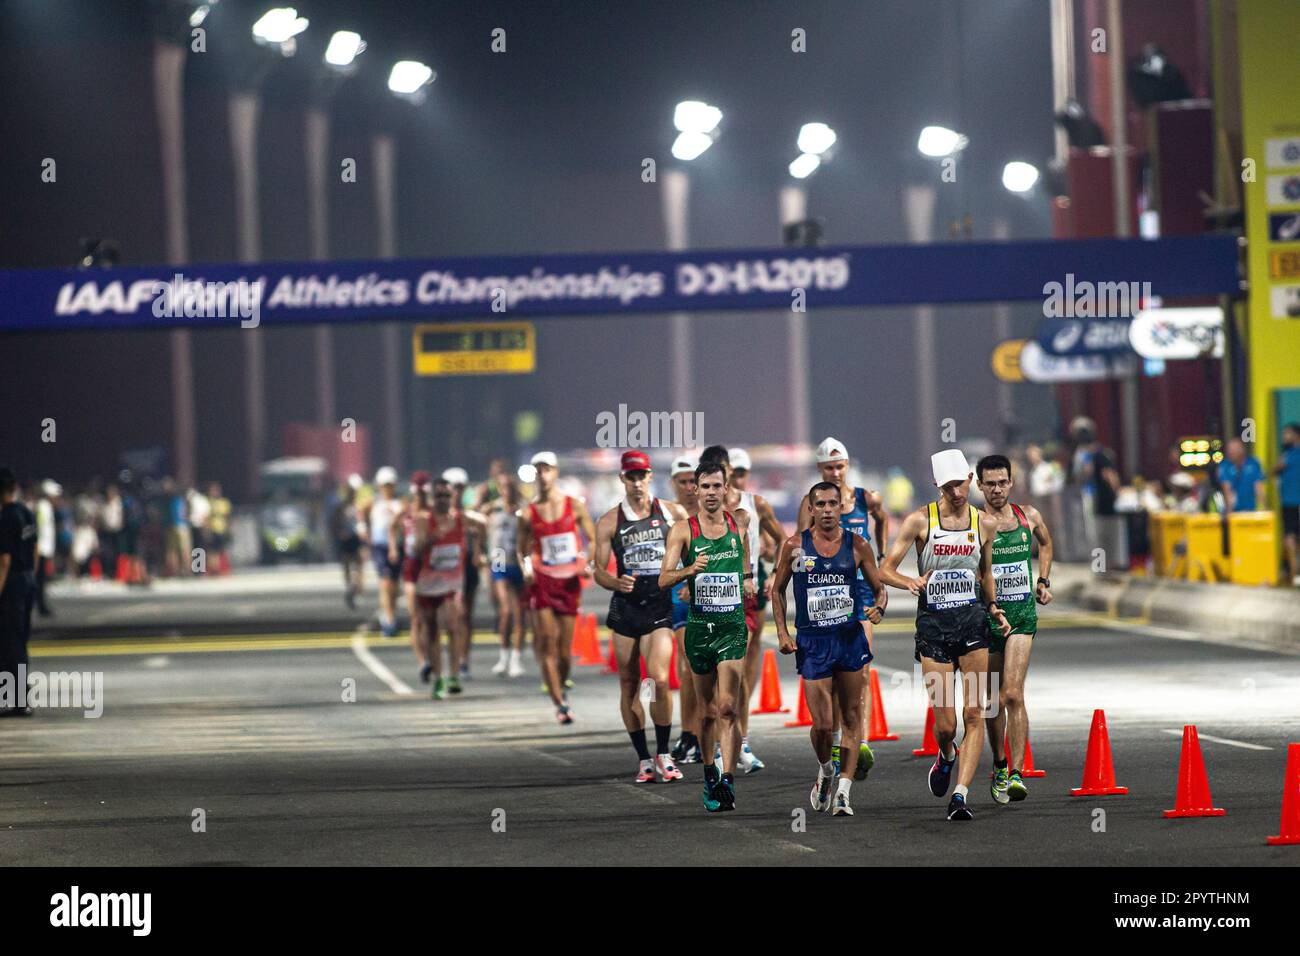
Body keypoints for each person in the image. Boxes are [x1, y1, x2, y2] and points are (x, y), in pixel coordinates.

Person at [878, 449, 1010, 821]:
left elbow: (985, 574)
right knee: (946, 724)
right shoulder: (920, 521)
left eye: (961, 483)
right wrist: (909, 582)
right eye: (949, 486)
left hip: (972, 625)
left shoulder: (983, 523)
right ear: (938, 484)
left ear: (971, 478)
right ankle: (947, 754)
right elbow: (885, 568)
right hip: (933, 630)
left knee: (975, 712)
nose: (957, 492)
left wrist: (995, 608)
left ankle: (961, 796)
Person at [772, 480, 886, 816]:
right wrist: (782, 632)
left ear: (840, 507)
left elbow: (879, 588)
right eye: (819, 504)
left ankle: (844, 794)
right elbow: (776, 591)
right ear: (810, 508)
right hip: (812, 641)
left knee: (851, 718)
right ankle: (825, 770)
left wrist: (879, 607)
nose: (825, 510)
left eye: (831, 504)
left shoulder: (858, 545)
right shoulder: (795, 546)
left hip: (849, 639)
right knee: (822, 725)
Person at [659, 460, 755, 812]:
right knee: (708, 712)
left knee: (729, 706)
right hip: (699, 629)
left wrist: (746, 577)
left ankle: (727, 779)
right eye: (706, 487)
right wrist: (690, 570)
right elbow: (663, 579)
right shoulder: (683, 531)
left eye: (718, 486)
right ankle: (709, 773)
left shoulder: (739, 520)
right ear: (695, 490)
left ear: (726, 488)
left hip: (731, 626)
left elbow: (743, 553)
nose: (712, 493)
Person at [796, 437, 889, 781]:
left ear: (848, 465)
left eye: (840, 466)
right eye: (828, 468)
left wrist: (880, 554)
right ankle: (836, 737)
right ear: (820, 470)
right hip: (828, 597)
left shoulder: (867, 498)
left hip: (861, 594)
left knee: (859, 670)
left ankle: (857, 737)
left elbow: (882, 518)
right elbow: (801, 547)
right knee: (833, 676)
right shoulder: (814, 502)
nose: (835, 472)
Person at [593, 450, 687, 783]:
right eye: (630, 477)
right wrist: (613, 581)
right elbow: (598, 570)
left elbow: (691, 551)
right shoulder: (609, 521)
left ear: (650, 477)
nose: (636, 482)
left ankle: (664, 753)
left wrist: (687, 581)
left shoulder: (671, 513)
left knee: (659, 680)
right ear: (622, 479)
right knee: (630, 682)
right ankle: (643, 758)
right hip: (626, 608)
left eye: (641, 476)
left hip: (659, 605)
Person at [698, 445, 785, 774]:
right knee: (725, 674)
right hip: (712, 597)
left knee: (741, 671)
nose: (719, 478)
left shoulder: (753, 505)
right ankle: (723, 741)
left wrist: (775, 573)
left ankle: (739, 742)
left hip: (747, 594)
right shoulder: (700, 509)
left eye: (722, 471)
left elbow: (785, 541)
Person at [975, 454, 1054, 805]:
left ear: (1011, 482)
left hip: (1022, 615)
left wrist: (1043, 579)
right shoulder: (974, 524)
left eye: (1001, 482)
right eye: (989, 483)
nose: (996, 489)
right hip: (987, 619)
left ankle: (1019, 773)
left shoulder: (1028, 516)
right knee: (991, 701)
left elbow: (1046, 543)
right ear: (979, 485)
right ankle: (1000, 764)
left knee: (1012, 694)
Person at [518, 452, 596, 724]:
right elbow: (520, 550)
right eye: (538, 470)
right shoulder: (527, 513)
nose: (543, 474)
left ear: (555, 472)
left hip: (569, 581)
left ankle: (561, 686)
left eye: (547, 469)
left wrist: (589, 563)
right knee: (548, 643)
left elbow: (593, 539)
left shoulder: (574, 506)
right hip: (542, 582)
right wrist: (527, 568)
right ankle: (560, 704)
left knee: (565, 651)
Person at [413, 477, 476, 700]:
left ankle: (454, 676)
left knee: (453, 625)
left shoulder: (461, 518)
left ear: (452, 497)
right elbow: (417, 549)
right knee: (432, 631)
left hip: (452, 582)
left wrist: (479, 552)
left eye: (446, 495)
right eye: (438, 495)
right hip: (429, 582)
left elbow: (484, 523)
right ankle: (439, 678)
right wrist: (433, 537)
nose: (443, 499)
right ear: (433, 498)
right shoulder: (423, 520)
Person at [667, 454, 704, 764]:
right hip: (679, 595)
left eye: (694, 481)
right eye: (683, 482)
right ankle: (688, 732)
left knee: (705, 665)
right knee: (686, 661)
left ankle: (704, 731)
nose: (690, 487)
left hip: (710, 595)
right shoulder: (668, 516)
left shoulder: (712, 512)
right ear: (673, 484)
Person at [0, 469, 38, 717]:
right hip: (27, 580)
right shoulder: (27, 513)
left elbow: (4, 560)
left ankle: (15, 700)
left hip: (11, 584)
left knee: (8, 644)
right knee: (20, 641)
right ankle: (20, 698)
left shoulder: (6, 518)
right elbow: (34, 550)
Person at [485, 474, 527, 678]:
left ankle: (516, 659)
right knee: (506, 611)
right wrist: (479, 553)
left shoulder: (524, 508)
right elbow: (478, 524)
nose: (506, 490)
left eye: (509, 486)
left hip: (517, 558)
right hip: (499, 557)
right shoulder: (493, 507)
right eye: (502, 486)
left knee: (519, 613)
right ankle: (503, 656)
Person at [360, 466, 404, 637]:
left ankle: (390, 613)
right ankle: (389, 620)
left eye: (390, 485)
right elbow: (359, 510)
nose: (387, 488)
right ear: (379, 485)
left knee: (394, 584)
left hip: (397, 546)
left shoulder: (400, 502)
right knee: (385, 582)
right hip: (379, 546)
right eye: (384, 485)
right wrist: (363, 527)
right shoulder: (374, 502)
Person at [399, 472, 435, 681]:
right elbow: (392, 524)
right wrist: (394, 546)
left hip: (430, 567)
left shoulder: (432, 513)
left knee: (430, 618)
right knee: (415, 617)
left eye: (424, 493)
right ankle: (423, 662)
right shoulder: (407, 511)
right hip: (411, 567)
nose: (420, 497)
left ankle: (431, 654)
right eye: (417, 493)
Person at [332, 477, 365, 609]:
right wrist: (339, 532)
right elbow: (335, 522)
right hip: (346, 539)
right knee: (346, 564)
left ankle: (355, 588)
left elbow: (363, 522)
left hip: (356, 538)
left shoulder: (358, 505)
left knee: (358, 564)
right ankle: (348, 588)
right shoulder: (341, 506)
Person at [1276, 423, 1300, 585]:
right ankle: (1294, 574)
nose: (1284, 437)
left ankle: (1294, 573)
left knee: (1292, 538)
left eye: (1287, 434)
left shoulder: (1291, 454)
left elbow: (1276, 468)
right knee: (1290, 537)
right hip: (1288, 502)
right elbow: (1275, 469)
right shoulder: (1287, 453)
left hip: (1296, 501)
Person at [207, 482, 231, 575]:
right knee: (212, 551)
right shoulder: (208, 502)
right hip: (212, 529)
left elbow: (227, 517)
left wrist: (228, 529)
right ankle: (213, 570)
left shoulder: (224, 502)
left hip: (222, 529)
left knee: (222, 550)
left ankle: (224, 569)